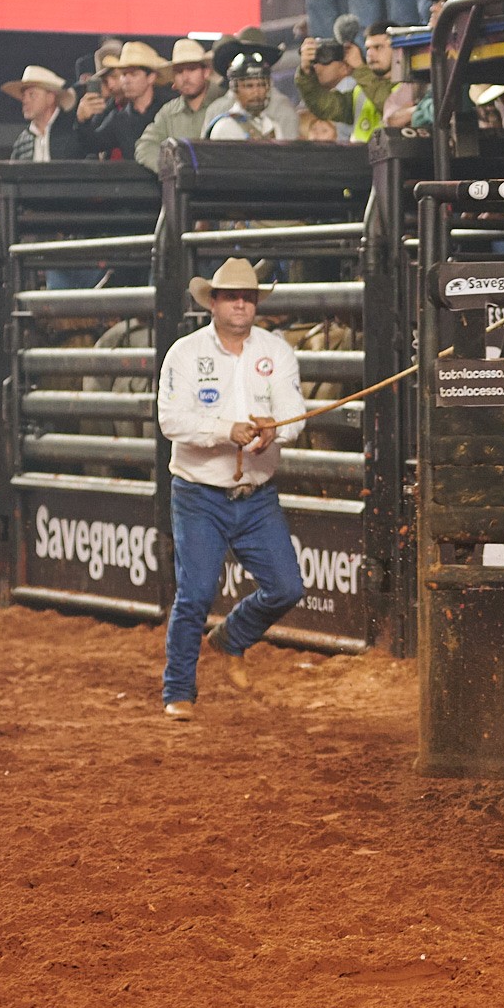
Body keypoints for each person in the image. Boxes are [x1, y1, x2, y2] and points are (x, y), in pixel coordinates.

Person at [155, 257, 308, 720]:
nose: (241, 303)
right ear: (213, 302)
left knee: (286, 587)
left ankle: (232, 636)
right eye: (231, 296)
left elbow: (294, 417)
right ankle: (177, 690)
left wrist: (272, 428)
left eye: (248, 296)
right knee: (195, 595)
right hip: (200, 493)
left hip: (256, 494)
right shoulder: (184, 353)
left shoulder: (277, 352)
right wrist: (227, 430)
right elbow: (170, 420)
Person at [136, 37, 220, 171]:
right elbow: (145, 146)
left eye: (191, 69)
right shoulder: (169, 112)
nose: (185, 77)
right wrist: (170, 170)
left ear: (206, 72)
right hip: (182, 189)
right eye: (179, 71)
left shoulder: (223, 104)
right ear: (173, 77)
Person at [298, 25, 393, 141]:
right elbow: (324, 106)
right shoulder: (361, 90)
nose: (370, 54)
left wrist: (360, 68)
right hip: (360, 157)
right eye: (368, 48)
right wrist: (306, 71)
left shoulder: (409, 86)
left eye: (378, 47)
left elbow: (389, 104)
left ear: (397, 49)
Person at [79, 40, 169, 158]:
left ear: (151, 77)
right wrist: (82, 120)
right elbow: (92, 145)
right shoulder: (118, 119)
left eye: (133, 74)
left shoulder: (169, 112)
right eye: (123, 74)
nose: (126, 80)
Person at [205, 50, 298, 140]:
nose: (256, 91)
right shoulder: (225, 127)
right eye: (249, 86)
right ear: (235, 89)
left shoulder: (273, 126)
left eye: (261, 85)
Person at [5, 65, 86, 160]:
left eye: (32, 95)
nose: (25, 101)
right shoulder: (22, 142)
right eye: (24, 96)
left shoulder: (73, 131)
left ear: (50, 98)